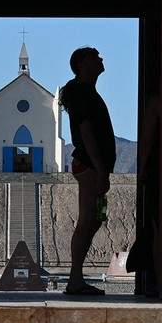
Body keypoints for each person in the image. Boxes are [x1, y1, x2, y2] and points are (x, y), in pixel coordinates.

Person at [58, 45, 114, 295]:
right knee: (87, 220)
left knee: (92, 220)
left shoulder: (86, 92)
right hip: (90, 166)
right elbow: (86, 133)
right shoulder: (83, 94)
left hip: (93, 166)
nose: (100, 59)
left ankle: (76, 279)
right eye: (94, 56)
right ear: (81, 64)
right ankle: (75, 280)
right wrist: (101, 170)